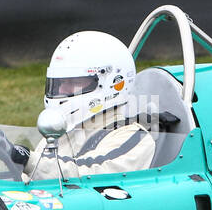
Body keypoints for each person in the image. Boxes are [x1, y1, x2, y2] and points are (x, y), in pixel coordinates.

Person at [21, 31, 157, 181]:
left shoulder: (134, 137)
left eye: (74, 83)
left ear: (110, 83)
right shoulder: (63, 131)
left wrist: (26, 160)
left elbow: (86, 176)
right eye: (59, 83)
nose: (60, 91)